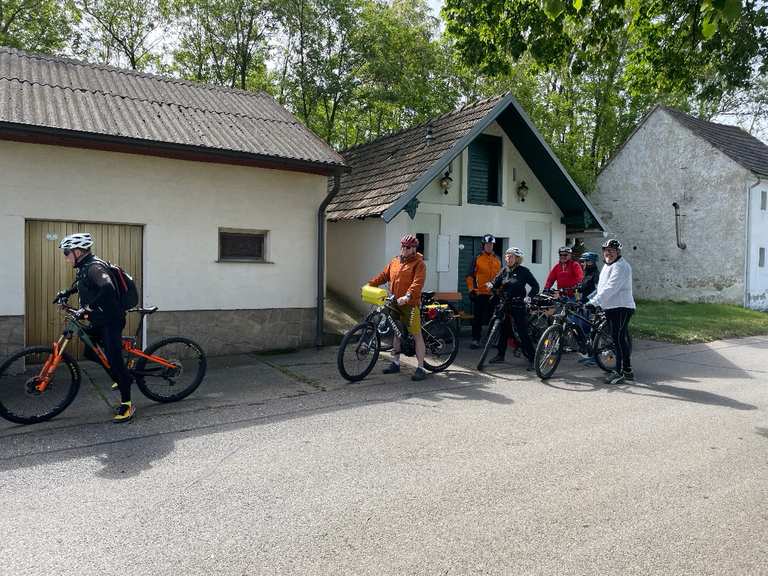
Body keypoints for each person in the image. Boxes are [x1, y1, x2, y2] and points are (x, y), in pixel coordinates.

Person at [56, 232, 135, 422]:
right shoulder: (84, 267)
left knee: (115, 360)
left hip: (111, 320)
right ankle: (119, 375)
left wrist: (86, 307)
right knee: (90, 353)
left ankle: (127, 403)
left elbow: (107, 287)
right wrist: (66, 292)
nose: (65, 257)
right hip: (99, 319)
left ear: (78, 251)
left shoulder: (94, 267)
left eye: (67, 252)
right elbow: (83, 285)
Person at [368, 234, 428, 381]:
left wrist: (407, 296)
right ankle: (395, 363)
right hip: (395, 302)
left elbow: (417, 283)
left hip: (410, 304)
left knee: (416, 334)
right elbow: (384, 276)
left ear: (414, 249)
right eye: (403, 246)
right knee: (397, 332)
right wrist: (370, 284)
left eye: (408, 247)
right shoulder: (395, 261)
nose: (404, 249)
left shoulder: (419, 264)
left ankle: (420, 367)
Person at [587, 239, 635, 385]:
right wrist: (591, 300)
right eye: (606, 250)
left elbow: (611, 288)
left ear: (618, 252)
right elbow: (601, 288)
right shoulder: (608, 265)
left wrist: (595, 302)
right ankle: (627, 370)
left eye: (612, 250)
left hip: (621, 307)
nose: (608, 253)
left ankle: (619, 372)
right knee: (618, 339)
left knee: (618, 339)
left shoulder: (621, 267)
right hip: (611, 307)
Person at [486, 247, 539, 370]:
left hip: (518, 304)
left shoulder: (524, 271)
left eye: (511, 256)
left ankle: (533, 359)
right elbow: (495, 282)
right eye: (507, 256)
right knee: (503, 330)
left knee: (522, 332)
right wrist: (491, 284)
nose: (508, 259)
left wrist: (529, 297)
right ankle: (500, 355)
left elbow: (535, 286)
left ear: (517, 259)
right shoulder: (504, 270)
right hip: (505, 303)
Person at [465, 234, 501, 349]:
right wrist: (471, 290)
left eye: (491, 244)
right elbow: (469, 275)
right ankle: (476, 339)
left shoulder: (498, 259)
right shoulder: (477, 258)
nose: (489, 246)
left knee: (494, 318)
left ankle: (492, 340)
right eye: (487, 244)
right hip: (480, 293)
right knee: (478, 319)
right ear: (483, 245)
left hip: (494, 294)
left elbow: (501, 276)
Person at [576, 252, 600, 367]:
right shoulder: (587, 274)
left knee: (592, 332)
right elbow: (583, 288)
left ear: (590, 262)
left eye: (584, 261)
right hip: (584, 305)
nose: (582, 264)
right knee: (584, 330)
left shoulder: (595, 274)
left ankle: (595, 357)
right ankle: (590, 355)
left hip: (592, 307)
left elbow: (598, 290)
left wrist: (590, 302)